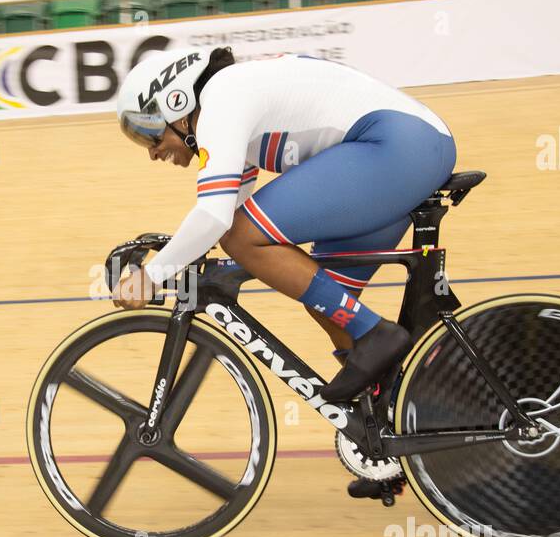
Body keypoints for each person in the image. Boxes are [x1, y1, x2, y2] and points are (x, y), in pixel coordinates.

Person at [112, 45, 457, 402]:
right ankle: (388, 408)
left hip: (397, 146)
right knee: (328, 300)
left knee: (243, 238)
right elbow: (224, 214)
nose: (151, 152)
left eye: (148, 132)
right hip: (403, 149)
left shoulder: (221, 100)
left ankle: (375, 335)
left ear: (178, 105)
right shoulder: (231, 109)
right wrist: (175, 255)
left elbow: (218, 221)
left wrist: (151, 276)